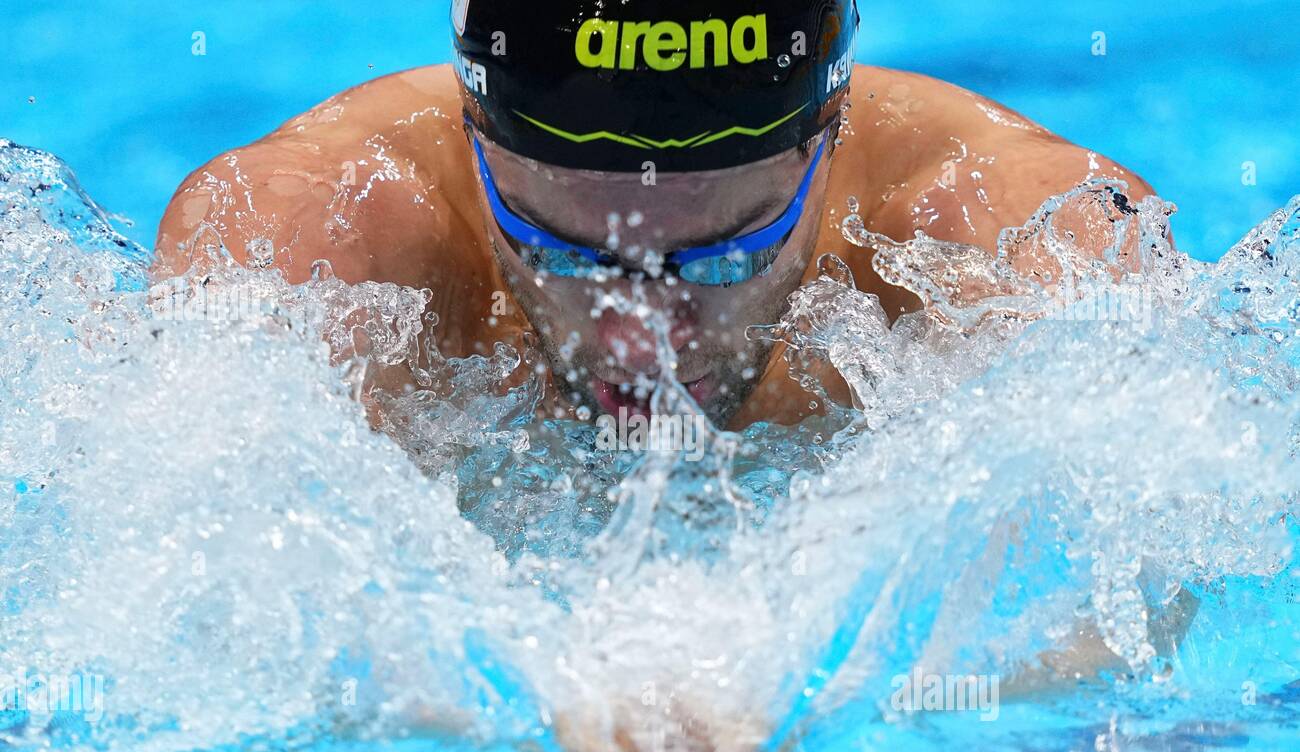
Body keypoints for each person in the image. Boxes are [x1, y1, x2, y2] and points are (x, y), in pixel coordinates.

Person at [157, 0, 1158, 432]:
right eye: (558, 246)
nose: (638, 333)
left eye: (721, 257)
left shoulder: (1019, 235)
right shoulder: (321, 234)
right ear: (474, 142)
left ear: (830, 139)